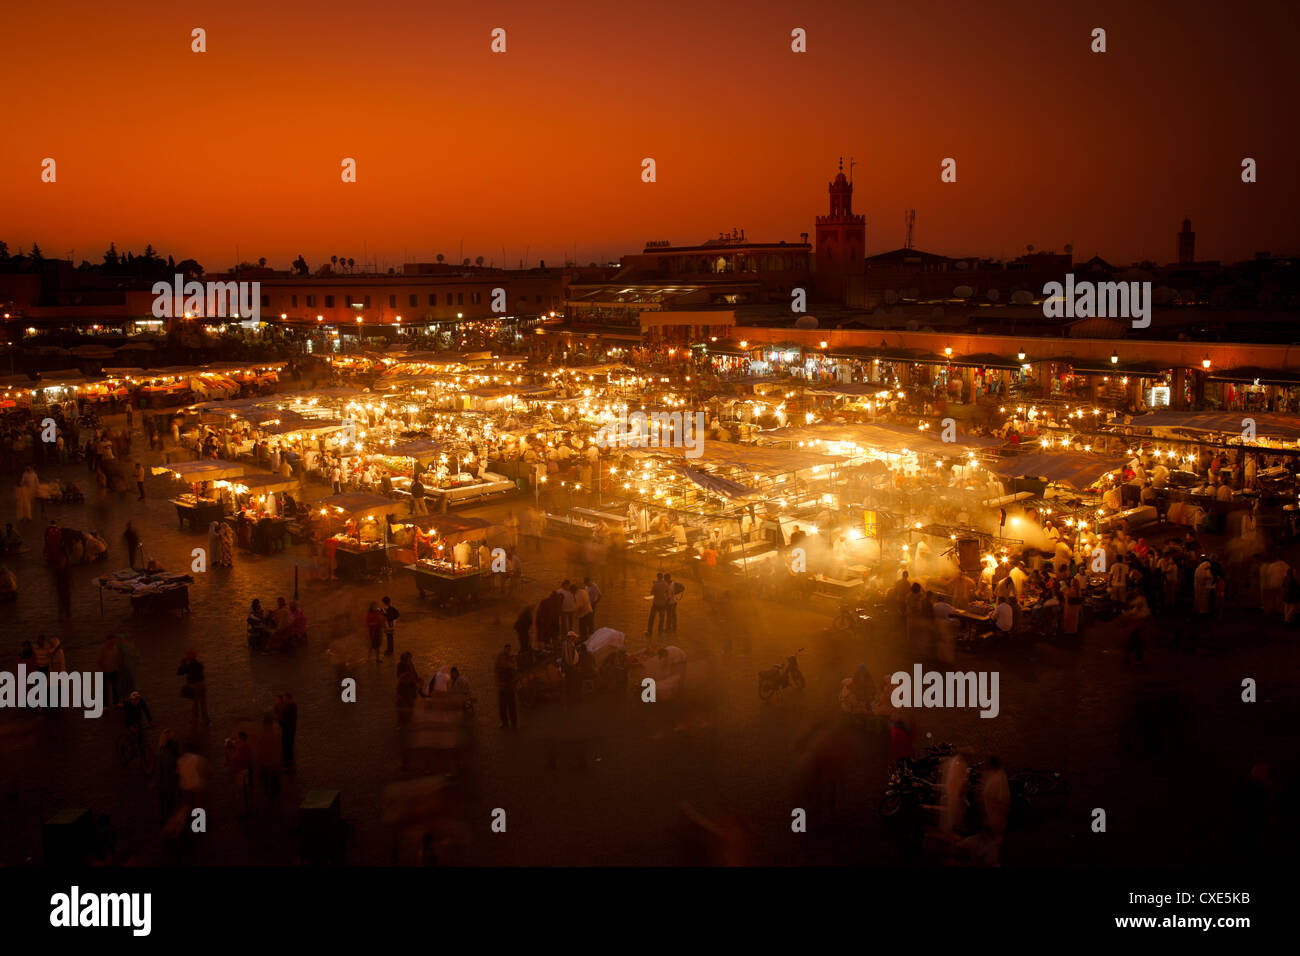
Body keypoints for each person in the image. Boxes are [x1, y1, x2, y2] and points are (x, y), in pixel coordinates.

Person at [177, 650, 208, 722]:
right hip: (202, 684)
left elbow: (180, 672)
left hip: (194, 686)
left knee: (195, 703)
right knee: (203, 703)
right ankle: (205, 719)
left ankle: (195, 719)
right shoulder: (199, 664)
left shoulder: (189, 665)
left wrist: (182, 665)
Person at [494, 643, 518, 729]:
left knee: (511, 706)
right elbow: (497, 669)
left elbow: (514, 671)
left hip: (509, 687)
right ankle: (505, 722)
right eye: (507, 649)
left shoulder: (511, 659)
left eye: (509, 649)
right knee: (502, 706)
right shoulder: (501, 658)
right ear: (505, 649)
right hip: (503, 687)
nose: (508, 651)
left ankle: (513, 723)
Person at [275, 692, 298, 772]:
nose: (283, 701)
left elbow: (285, 720)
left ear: (288, 699)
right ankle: (288, 764)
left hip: (288, 730)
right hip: (288, 730)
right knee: (287, 747)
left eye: (285, 699)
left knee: (288, 747)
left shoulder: (290, 707)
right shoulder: (290, 707)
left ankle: (289, 764)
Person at [97, 634, 122, 707]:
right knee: (105, 689)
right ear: (108, 640)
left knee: (115, 687)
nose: (113, 643)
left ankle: (116, 702)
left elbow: (118, 659)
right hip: (104, 672)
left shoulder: (116, 648)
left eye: (114, 641)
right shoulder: (102, 649)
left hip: (114, 670)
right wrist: (105, 669)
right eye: (112, 641)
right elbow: (99, 661)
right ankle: (105, 705)